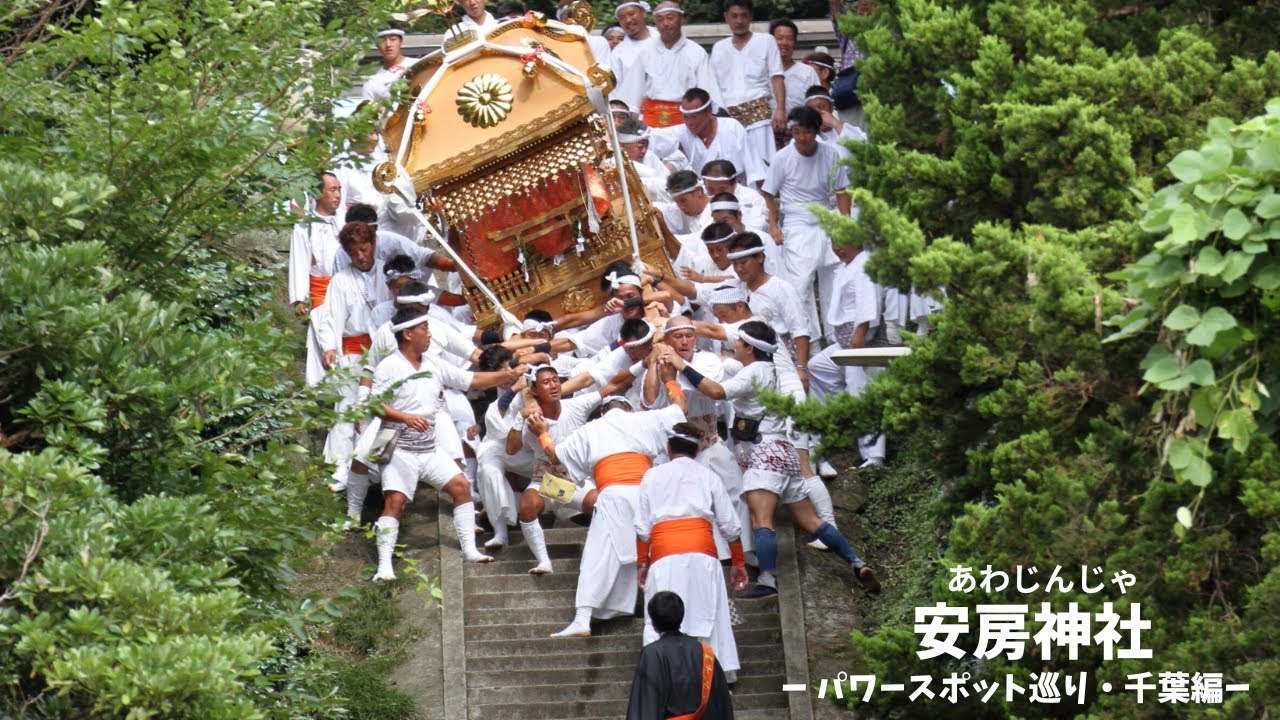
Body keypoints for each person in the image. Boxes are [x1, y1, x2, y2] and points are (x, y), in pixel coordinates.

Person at [661, 320, 880, 598]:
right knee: (811, 521)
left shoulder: (754, 372)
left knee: (761, 520)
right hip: (785, 453)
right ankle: (856, 561)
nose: (734, 346)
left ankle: (767, 579)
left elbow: (716, 392)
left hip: (763, 454)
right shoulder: (771, 370)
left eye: (738, 343)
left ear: (750, 348)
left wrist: (680, 366)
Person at [370, 306, 526, 579]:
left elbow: (470, 379)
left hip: (429, 446)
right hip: (399, 446)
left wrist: (506, 376)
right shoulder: (389, 365)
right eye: (424, 329)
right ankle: (384, 566)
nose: (429, 334)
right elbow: (374, 404)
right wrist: (404, 416)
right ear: (407, 334)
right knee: (395, 502)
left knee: (461, 486)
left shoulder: (432, 363)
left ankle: (469, 550)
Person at [537, 381, 688, 637]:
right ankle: (665, 617)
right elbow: (679, 406)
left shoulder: (592, 428)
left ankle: (583, 618)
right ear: (628, 410)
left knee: (599, 554)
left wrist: (542, 432)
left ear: (602, 412)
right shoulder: (644, 419)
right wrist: (670, 379)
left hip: (614, 494)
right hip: (647, 494)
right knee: (649, 552)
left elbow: (555, 456)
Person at [635, 422, 746, 683]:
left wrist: (642, 564)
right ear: (696, 451)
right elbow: (730, 525)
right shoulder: (708, 476)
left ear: (669, 447)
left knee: (660, 621)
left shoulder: (652, 476)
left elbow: (642, 529)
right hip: (703, 557)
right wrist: (738, 561)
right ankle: (712, 680)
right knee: (707, 616)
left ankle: (663, 679)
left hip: (663, 558)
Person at [761, 105, 852, 343]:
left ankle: (836, 336)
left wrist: (845, 224)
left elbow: (842, 191)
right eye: (797, 131)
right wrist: (773, 226)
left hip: (826, 217)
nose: (802, 137)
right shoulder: (783, 158)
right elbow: (769, 193)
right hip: (797, 221)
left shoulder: (831, 153)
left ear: (815, 131)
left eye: (807, 132)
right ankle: (807, 339)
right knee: (800, 283)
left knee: (833, 278)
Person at [626, 591, 734, 720]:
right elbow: (722, 705)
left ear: (654, 623)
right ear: (682, 616)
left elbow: (645, 706)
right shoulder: (706, 653)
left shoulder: (652, 654)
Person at [613, 1, 721, 129]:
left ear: (681, 18)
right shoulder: (646, 53)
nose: (665, 23)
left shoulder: (696, 52)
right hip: (650, 123)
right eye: (660, 19)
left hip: (686, 122)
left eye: (670, 18)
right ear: (655, 23)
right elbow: (632, 93)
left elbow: (706, 92)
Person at [709, 0, 785, 171]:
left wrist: (780, 109)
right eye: (734, 16)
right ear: (726, 17)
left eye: (743, 16)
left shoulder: (766, 41)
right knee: (733, 168)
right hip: (728, 118)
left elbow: (777, 76)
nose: (739, 21)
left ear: (751, 16)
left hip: (759, 114)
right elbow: (712, 86)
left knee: (764, 167)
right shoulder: (719, 48)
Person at [288, 172, 344, 385]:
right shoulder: (305, 226)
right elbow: (300, 259)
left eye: (339, 189)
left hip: (344, 290)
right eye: (332, 190)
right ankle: (322, 391)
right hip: (321, 291)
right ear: (318, 193)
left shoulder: (343, 222)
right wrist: (300, 297)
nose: (337, 195)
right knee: (323, 338)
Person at [650, 88, 765, 186]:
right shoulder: (682, 132)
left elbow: (756, 171)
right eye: (686, 117)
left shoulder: (732, 127)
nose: (689, 122)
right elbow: (652, 138)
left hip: (740, 192)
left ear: (708, 112)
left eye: (694, 117)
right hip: (708, 196)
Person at [770, 18, 821, 149]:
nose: (784, 43)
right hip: (767, 137)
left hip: (799, 138)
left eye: (789, 38)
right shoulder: (760, 72)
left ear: (795, 42)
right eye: (780, 38)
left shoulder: (807, 72)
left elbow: (816, 106)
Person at [701, 159, 767, 228]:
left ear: (734, 183)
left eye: (722, 189)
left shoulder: (752, 198)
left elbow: (760, 226)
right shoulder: (703, 196)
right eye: (711, 189)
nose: (717, 194)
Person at [608, 0, 655, 93]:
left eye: (631, 14)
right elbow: (614, 92)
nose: (628, 20)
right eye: (622, 18)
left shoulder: (664, 41)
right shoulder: (617, 55)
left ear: (643, 13)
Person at [362, 28, 417, 102]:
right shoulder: (373, 82)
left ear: (401, 42)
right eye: (382, 41)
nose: (388, 45)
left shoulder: (420, 65)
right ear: (377, 45)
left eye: (393, 39)